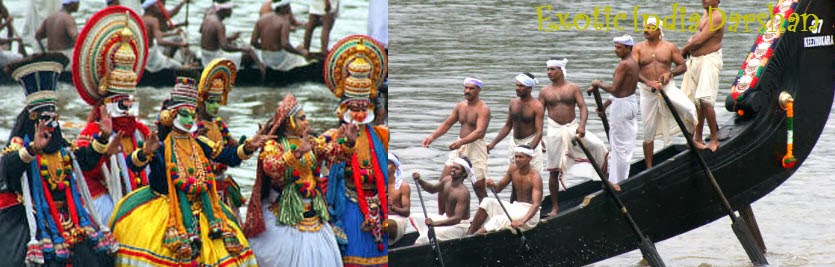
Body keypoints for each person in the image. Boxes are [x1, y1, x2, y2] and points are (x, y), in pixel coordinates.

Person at [108, 77, 271, 266]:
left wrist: (250, 146)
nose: (189, 120)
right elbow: (133, 165)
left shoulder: (200, 144)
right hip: (167, 209)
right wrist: (145, 152)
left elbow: (228, 156)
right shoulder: (160, 146)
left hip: (204, 207)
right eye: (184, 114)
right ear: (171, 116)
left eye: (192, 115)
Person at [1, 52, 116, 266]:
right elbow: (8, 170)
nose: (51, 126)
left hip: (70, 217)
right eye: (45, 120)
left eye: (54, 119)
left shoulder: (63, 149)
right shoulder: (19, 146)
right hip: (34, 219)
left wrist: (103, 137)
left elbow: (84, 162)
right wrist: (34, 148)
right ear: (33, 121)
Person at [244, 93, 353, 267]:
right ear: (289, 122)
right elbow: (271, 168)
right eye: (302, 118)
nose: (307, 122)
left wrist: (349, 143)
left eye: (306, 118)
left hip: (313, 215)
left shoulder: (311, 142)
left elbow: (334, 154)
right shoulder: (274, 145)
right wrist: (297, 152)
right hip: (284, 215)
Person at [74, 26, 152, 225]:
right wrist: (104, 147)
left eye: (130, 101)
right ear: (107, 104)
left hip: (140, 198)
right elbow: (85, 171)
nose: (127, 107)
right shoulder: (92, 131)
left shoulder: (141, 132)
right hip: (104, 198)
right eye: (121, 102)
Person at [323, 37, 389, 266]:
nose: (360, 112)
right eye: (354, 107)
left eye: (364, 106)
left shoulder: (381, 135)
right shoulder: (332, 135)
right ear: (344, 108)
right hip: (349, 200)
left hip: (377, 202)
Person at [540, 58, 607, 216]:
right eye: (548, 69)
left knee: (598, 146)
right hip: (554, 130)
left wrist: (582, 125)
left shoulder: (573, 88)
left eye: (553, 69)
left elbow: (583, 107)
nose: (549, 72)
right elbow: (539, 115)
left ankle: (605, 182)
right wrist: (540, 136)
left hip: (573, 127)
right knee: (553, 170)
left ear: (561, 71)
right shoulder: (544, 92)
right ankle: (555, 208)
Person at [633, 17, 698, 168]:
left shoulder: (669, 47)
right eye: (645, 27)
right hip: (648, 92)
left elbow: (683, 66)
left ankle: (690, 143)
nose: (646, 30)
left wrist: (671, 74)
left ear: (658, 31)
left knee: (690, 109)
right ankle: (649, 167)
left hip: (667, 89)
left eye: (650, 27)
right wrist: (648, 82)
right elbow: (632, 70)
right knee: (648, 130)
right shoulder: (638, 48)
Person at [422, 77, 490, 202]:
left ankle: (487, 216)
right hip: (460, 144)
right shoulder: (460, 106)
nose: (467, 91)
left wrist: (461, 142)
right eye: (466, 88)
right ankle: (443, 216)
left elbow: (480, 131)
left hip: (476, 147)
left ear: (479, 90)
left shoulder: (483, 109)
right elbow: (447, 124)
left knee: (479, 187)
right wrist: (432, 137)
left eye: (471, 88)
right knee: (444, 182)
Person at [196, 58, 247, 222]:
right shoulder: (193, 126)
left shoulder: (219, 123)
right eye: (211, 101)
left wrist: (250, 144)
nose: (215, 106)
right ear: (201, 101)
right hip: (201, 188)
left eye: (218, 102)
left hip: (221, 183)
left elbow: (234, 147)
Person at [589, 35, 640, 190]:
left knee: (619, 147)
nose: (615, 50)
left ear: (628, 48)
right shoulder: (633, 62)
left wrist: (598, 83)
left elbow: (615, 89)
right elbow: (621, 91)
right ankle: (617, 179)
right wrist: (605, 105)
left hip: (623, 107)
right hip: (629, 102)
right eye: (615, 46)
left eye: (619, 47)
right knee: (623, 145)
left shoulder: (623, 65)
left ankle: (619, 182)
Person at [466, 146, 542, 235]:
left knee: (499, 219)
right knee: (486, 201)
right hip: (516, 207)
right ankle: (469, 235)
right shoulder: (513, 169)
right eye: (516, 156)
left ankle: (474, 238)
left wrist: (522, 221)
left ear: (529, 158)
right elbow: (498, 189)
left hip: (529, 213)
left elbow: (536, 205)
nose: (517, 159)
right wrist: (492, 185)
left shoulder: (535, 177)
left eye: (521, 157)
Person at [681, 0, 725, 152]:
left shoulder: (717, 17)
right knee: (695, 100)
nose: (704, 0)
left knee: (705, 99)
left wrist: (684, 49)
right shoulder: (707, 12)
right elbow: (698, 34)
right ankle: (697, 137)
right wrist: (690, 41)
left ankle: (714, 138)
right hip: (697, 60)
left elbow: (701, 39)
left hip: (709, 59)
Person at [487, 72, 544, 172]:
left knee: (533, 176)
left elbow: (539, 132)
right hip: (515, 142)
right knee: (514, 174)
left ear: (529, 88)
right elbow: (508, 126)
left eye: (521, 86)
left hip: (530, 143)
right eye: (517, 85)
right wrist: (492, 144)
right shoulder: (513, 103)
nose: (517, 88)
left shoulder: (537, 106)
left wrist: (529, 150)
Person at [411, 157, 472, 244]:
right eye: (453, 167)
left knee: (425, 237)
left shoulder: (463, 193)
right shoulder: (447, 180)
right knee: (414, 216)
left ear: (464, 174)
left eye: (457, 168)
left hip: (459, 226)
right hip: (446, 218)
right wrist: (420, 180)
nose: (453, 170)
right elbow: (432, 189)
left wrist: (434, 224)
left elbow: (457, 219)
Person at [200, 0, 264, 72]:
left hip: (205, 57)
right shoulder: (219, 25)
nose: (231, 12)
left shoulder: (208, 17)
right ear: (224, 10)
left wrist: (231, 38)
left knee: (235, 45)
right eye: (230, 10)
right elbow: (225, 47)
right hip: (214, 60)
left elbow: (205, 33)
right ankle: (262, 73)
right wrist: (242, 49)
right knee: (248, 54)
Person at [251, 0, 311, 72]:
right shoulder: (284, 22)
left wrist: (265, 47)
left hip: (264, 56)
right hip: (278, 58)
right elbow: (285, 45)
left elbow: (253, 42)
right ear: (283, 8)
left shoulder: (262, 19)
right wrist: (300, 53)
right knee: (301, 58)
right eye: (288, 6)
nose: (290, 8)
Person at [142, 0, 188, 72]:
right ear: (151, 7)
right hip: (151, 56)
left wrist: (174, 33)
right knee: (178, 65)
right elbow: (160, 41)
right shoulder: (154, 20)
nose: (160, 7)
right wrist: (180, 44)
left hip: (144, 54)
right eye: (157, 5)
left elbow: (158, 34)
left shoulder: (140, 18)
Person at [386, 152, 412, 245]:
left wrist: (393, 208)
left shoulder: (403, 186)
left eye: (388, 163)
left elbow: (406, 212)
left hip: (398, 220)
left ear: (395, 167)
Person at [0, 0, 25, 65]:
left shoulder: (3, 9)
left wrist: (10, 42)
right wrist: (6, 23)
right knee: (21, 57)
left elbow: (10, 31)